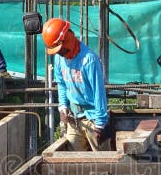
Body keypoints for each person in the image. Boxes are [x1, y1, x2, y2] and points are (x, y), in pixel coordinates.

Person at [41, 17, 110, 151]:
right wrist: (62, 106)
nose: (60, 53)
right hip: (74, 118)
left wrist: (100, 125)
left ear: (69, 37)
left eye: (61, 49)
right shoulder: (59, 59)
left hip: (93, 119)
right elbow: (61, 84)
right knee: (73, 161)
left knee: (103, 162)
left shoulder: (88, 60)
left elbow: (99, 93)